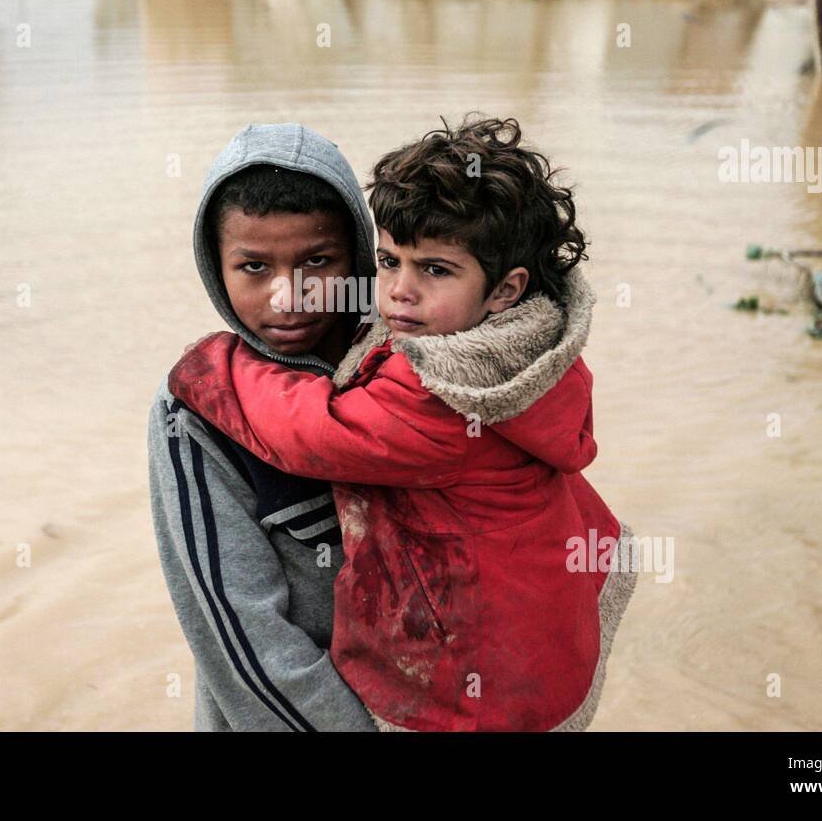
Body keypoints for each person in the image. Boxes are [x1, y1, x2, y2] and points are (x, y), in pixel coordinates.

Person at [169, 116, 638, 731]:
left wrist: (212, 364)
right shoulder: (527, 358)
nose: (400, 293)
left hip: (466, 690)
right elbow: (238, 634)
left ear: (505, 290)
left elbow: (310, 431)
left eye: (319, 260)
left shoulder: (441, 381)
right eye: (390, 262)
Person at [147, 123, 380, 731]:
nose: (288, 296)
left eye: (318, 261)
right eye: (253, 266)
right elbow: (242, 636)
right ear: (214, 267)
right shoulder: (198, 413)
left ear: (359, 255)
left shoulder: (407, 366)